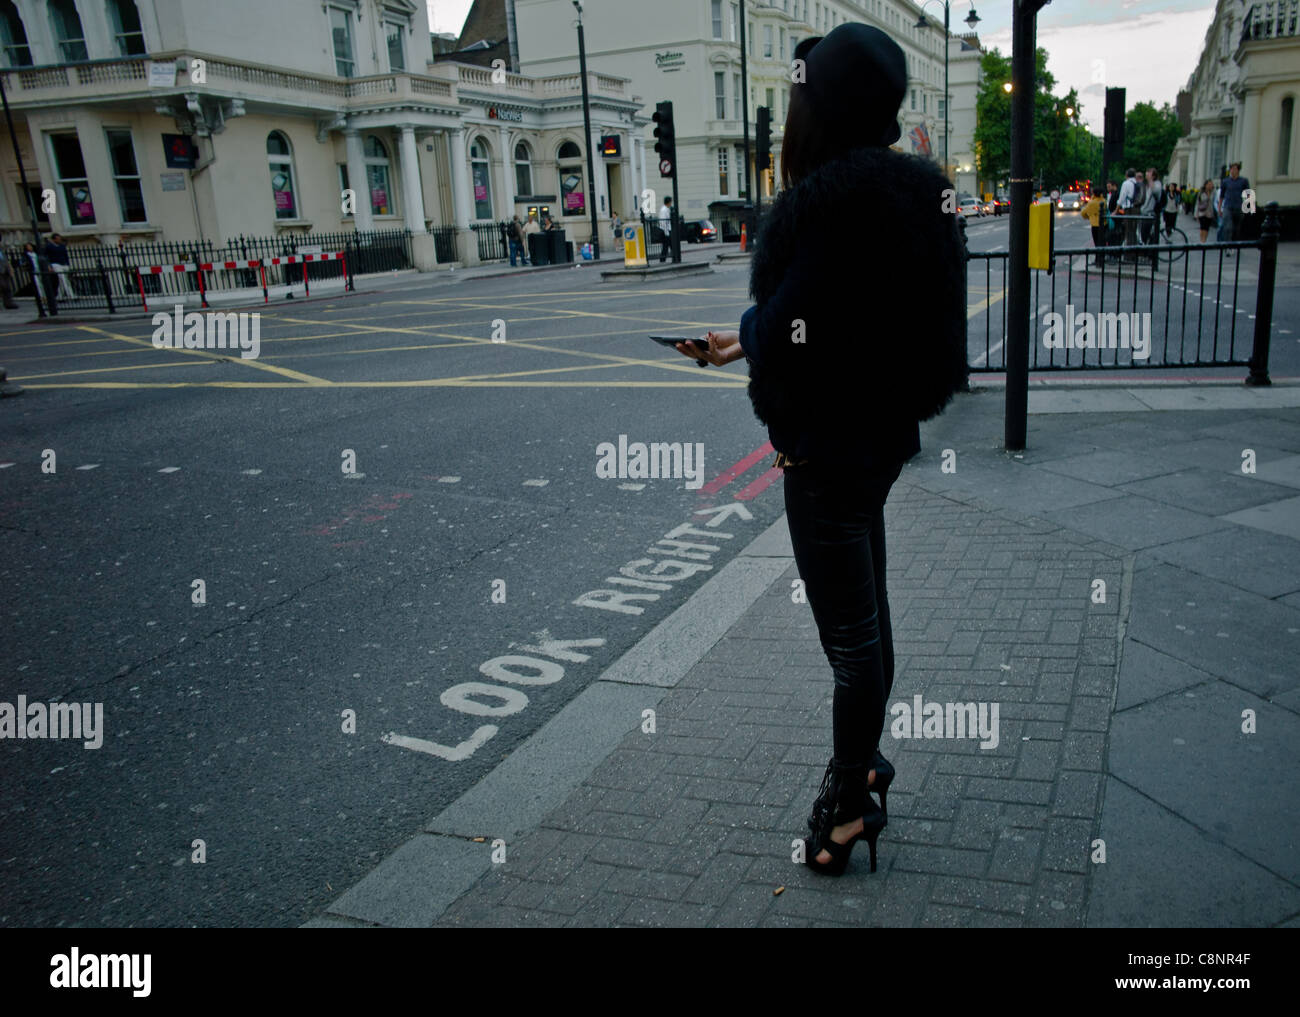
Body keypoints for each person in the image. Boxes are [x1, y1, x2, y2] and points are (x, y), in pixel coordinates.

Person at [672, 23, 967, 877]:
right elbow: (843, 321)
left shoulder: (832, 203)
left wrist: (758, 330)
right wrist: (743, 340)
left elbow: (800, 327)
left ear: (818, 110)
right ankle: (865, 765)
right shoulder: (912, 196)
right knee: (868, 614)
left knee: (851, 641)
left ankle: (847, 806)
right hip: (876, 441)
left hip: (825, 450)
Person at [1220, 162, 1250, 245]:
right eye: (1231, 169)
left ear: (1238, 170)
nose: (1232, 171)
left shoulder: (1243, 181)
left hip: (1238, 207)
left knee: (1236, 228)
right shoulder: (1225, 181)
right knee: (1228, 227)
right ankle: (1228, 245)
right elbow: (1221, 196)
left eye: (1235, 169)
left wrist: (1248, 207)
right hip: (1227, 206)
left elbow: (1248, 194)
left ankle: (1234, 243)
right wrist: (1220, 208)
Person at [1140, 168, 1162, 267]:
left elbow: (1156, 192)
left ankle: (1149, 257)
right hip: (1144, 213)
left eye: (1149, 173)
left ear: (1153, 175)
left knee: (1147, 235)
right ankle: (1146, 255)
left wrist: (1150, 181)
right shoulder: (1147, 185)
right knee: (1144, 235)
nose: (1147, 175)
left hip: (1150, 214)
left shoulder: (1156, 184)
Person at [44, 233, 74, 301]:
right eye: (57, 239)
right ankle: (71, 295)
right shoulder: (49, 247)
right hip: (55, 264)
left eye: (59, 238)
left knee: (62, 280)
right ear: (54, 239)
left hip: (63, 264)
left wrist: (68, 265)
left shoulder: (62, 246)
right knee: (63, 278)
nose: (59, 240)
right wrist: (49, 266)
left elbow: (65, 256)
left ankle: (59, 296)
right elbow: (46, 257)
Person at [1080, 190, 1106, 267]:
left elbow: (1083, 213)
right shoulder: (1104, 201)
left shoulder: (1091, 203)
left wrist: (1089, 217)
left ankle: (1097, 260)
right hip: (1103, 224)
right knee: (1102, 242)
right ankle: (1101, 259)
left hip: (1094, 224)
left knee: (1096, 243)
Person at [657, 195, 673, 262]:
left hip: (667, 230)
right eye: (670, 202)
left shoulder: (666, 209)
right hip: (665, 231)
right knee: (667, 246)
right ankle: (663, 259)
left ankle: (663, 259)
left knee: (667, 246)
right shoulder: (664, 210)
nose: (671, 204)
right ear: (668, 202)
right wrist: (666, 232)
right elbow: (663, 222)